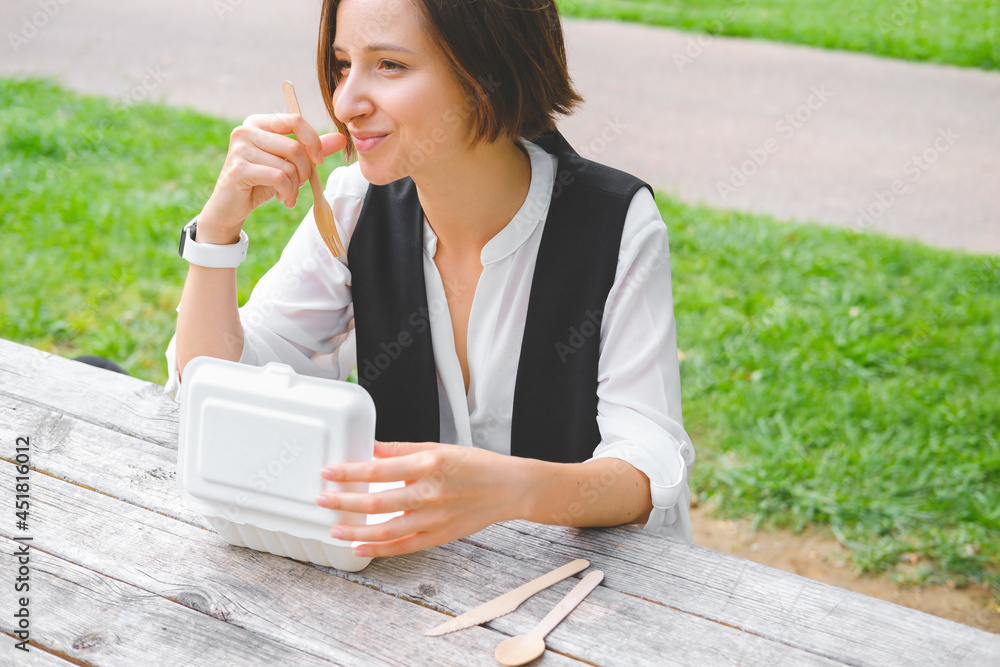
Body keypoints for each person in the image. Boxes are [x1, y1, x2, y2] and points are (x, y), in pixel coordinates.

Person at [165, 0, 695, 559]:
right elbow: (215, 390)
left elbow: (648, 467)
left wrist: (512, 489)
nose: (345, 104)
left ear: (485, 73)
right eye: (343, 64)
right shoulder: (353, 208)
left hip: (589, 592)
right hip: (406, 592)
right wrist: (216, 236)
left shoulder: (613, 221)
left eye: (390, 65)